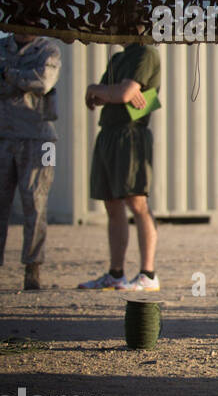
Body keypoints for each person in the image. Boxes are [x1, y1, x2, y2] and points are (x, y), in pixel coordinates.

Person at [78, 41, 162, 292]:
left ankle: (148, 273)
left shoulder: (146, 53)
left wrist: (103, 89)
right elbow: (99, 99)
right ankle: (116, 273)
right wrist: (107, 91)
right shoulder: (118, 58)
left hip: (131, 134)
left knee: (136, 201)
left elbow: (122, 94)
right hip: (109, 133)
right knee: (111, 202)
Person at [0, 33, 61, 290]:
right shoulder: (2, 48)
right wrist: (23, 78)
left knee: (36, 202)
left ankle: (33, 268)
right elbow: (32, 81)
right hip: (3, 134)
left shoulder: (49, 50)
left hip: (40, 138)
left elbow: (43, 82)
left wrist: (8, 75)